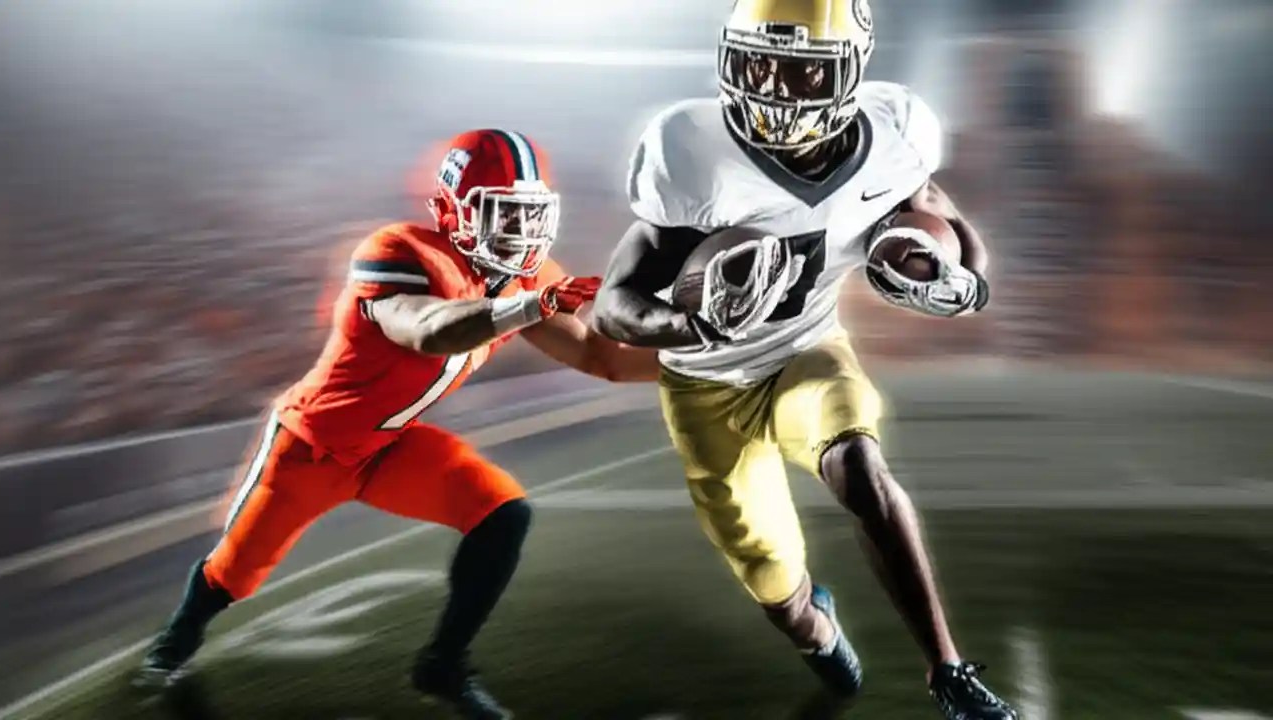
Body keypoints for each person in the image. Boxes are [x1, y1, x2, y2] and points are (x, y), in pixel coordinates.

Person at [134, 128, 659, 719]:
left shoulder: (522, 280)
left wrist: (711, 358)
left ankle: (443, 666)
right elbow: (429, 329)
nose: (522, 234)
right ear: (450, 211)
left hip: (388, 446)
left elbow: (602, 358)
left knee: (501, 513)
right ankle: (172, 645)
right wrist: (530, 305)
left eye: (531, 216)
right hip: (312, 446)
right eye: (503, 215)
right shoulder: (401, 250)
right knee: (235, 572)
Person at [591, 1, 1016, 717]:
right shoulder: (693, 151)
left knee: (860, 466)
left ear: (851, 75)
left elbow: (944, 219)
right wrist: (691, 324)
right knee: (776, 587)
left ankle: (948, 673)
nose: (775, 91)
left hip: (806, 351)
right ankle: (815, 627)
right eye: (759, 65)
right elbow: (612, 304)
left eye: (800, 73)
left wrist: (965, 280)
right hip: (705, 387)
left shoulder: (893, 140)